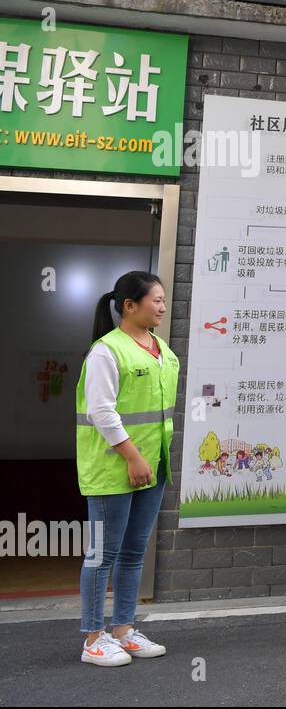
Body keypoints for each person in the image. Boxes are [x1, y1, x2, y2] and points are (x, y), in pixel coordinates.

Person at [75, 272, 180, 667]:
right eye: (156, 300)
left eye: (164, 300)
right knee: (102, 554)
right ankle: (93, 638)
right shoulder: (107, 351)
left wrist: (149, 462)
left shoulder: (161, 350)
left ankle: (123, 630)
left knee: (134, 553)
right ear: (129, 306)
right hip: (112, 470)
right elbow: (101, 411)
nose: (163, 307)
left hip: (152, 469)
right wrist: (133, 456)